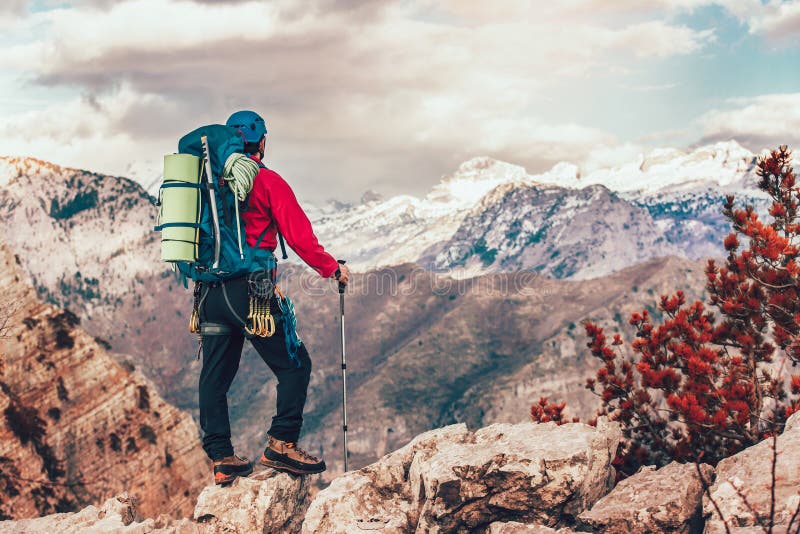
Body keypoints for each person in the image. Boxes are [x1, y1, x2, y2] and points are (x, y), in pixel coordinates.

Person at [199, 110, 350, 484]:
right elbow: (299, 237)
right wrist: (333, 269)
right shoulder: (267, 182)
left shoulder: (208, 186)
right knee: (295, 365)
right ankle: (281, 443)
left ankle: (222, 458)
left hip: (208, 293)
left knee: (215, 379)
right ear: (261, 142)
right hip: (253, 291)